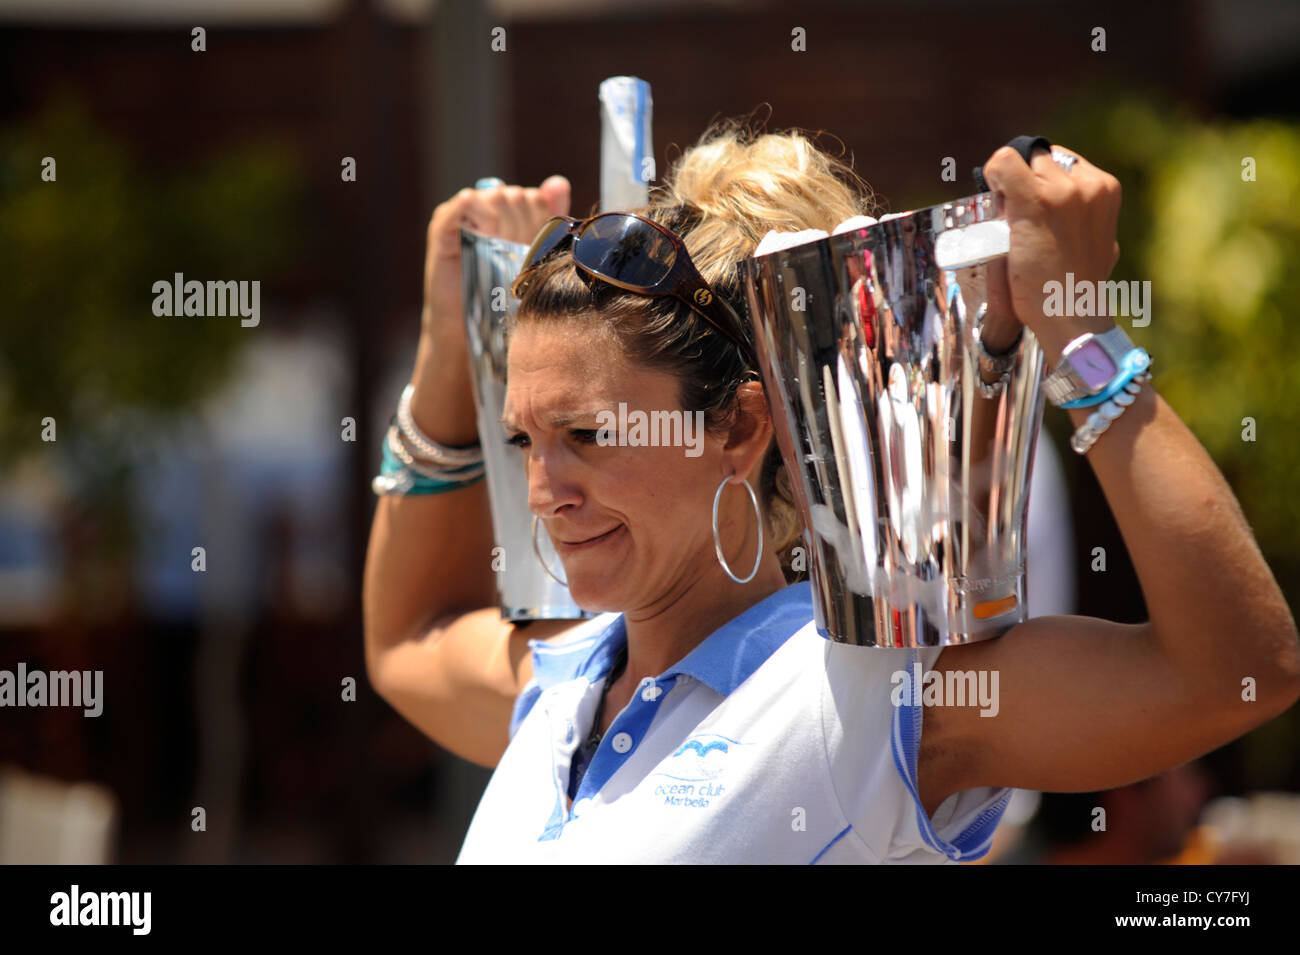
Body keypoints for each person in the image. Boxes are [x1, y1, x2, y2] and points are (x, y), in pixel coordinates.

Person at [362, 117, 1300, 864]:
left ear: (738, 427)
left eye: (590, 436)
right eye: (525, 438)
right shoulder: (561, 681)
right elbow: (404, 641)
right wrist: (450, 351)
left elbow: (1237, 674)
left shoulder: (864, 699)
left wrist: (1082, 337)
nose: (542, 489)